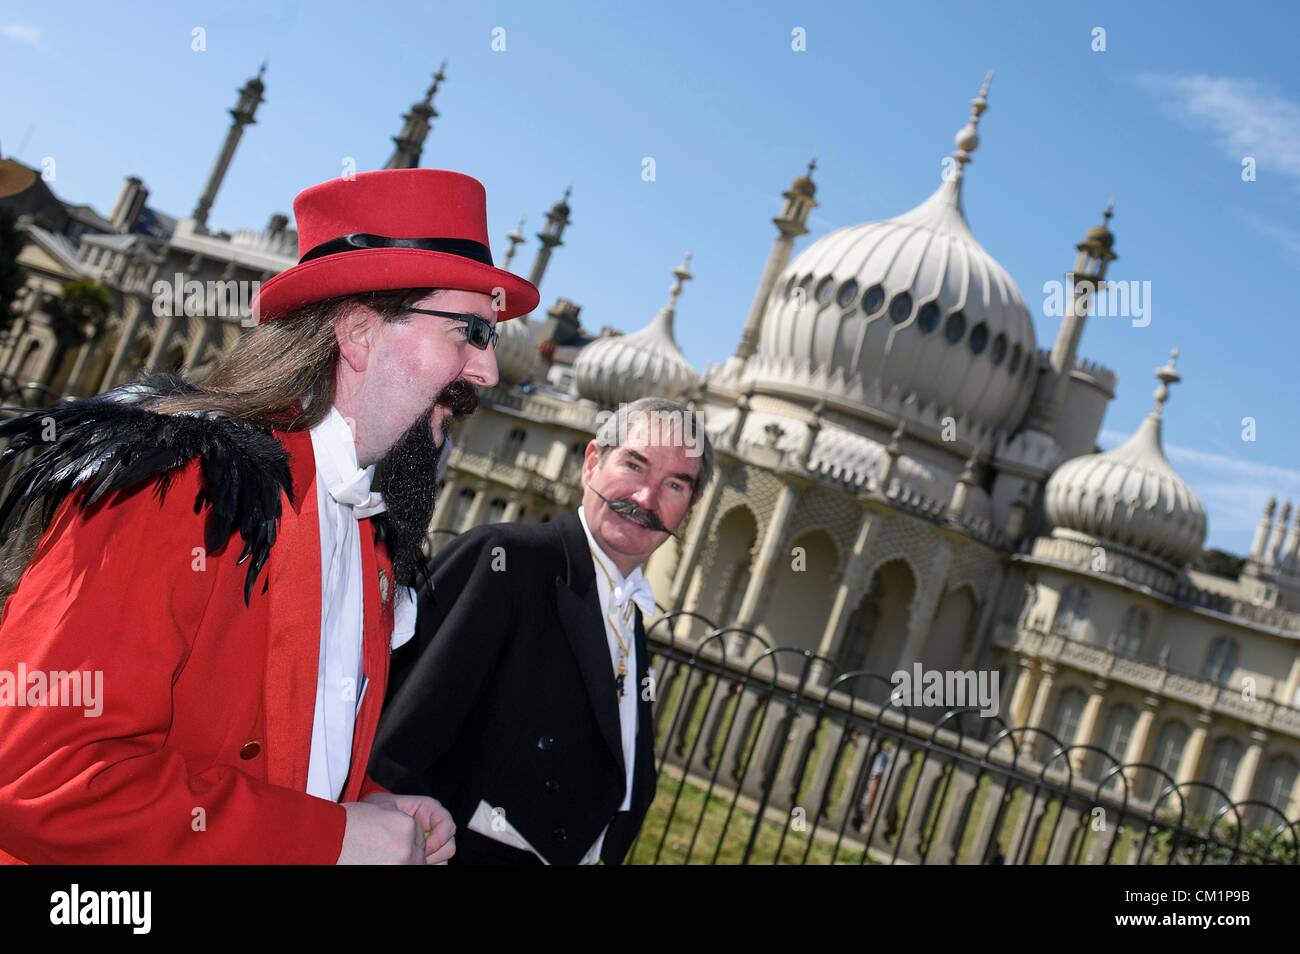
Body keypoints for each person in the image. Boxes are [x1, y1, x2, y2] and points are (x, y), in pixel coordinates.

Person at [0, 168, 539, 864]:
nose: (487, 372)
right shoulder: (180, 484)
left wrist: (369, 803)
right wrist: (336, 839)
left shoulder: (371, 534)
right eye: (470, 331)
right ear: (360, 334)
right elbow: (42, 777)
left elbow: (274, 757)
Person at [369, 397, 714, 864]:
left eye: (674, 485)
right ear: (592, 462)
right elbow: (398, 748)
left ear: (689, 508)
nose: (645, 499)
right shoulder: (506, 561)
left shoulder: (628, 613)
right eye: (634, 465)